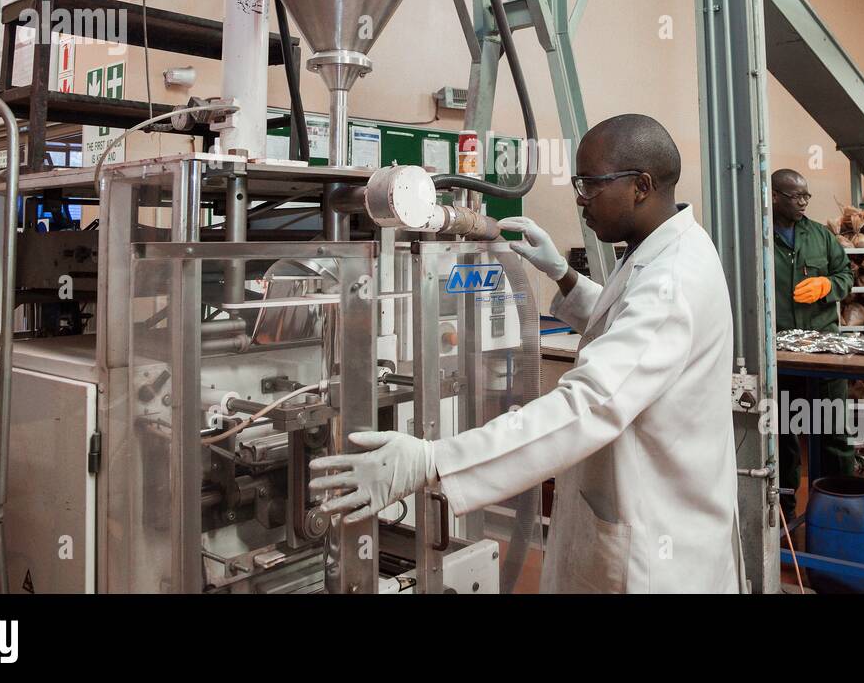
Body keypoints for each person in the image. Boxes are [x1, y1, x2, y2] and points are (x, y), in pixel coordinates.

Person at [311, 114, 740, 593]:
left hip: (656, 550)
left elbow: (588, 405)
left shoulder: (672, 279)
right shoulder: (660, 250)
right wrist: (565, 276)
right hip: (645, 512)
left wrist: (434, 460)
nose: (579, 198)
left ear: (641, 185)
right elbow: (626, 323)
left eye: (590, 184)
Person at [770, 168, 855, 520]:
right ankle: (782, 512)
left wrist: (826, 287)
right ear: (773, 196)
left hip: (823, 350)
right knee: (782, 438)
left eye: (807, 195)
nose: (803, 202)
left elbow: (846, 276)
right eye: (796, 196)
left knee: (833, 431)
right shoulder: (755, 237)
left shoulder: (820, 235)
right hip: (780, 354)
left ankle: (839, 510)